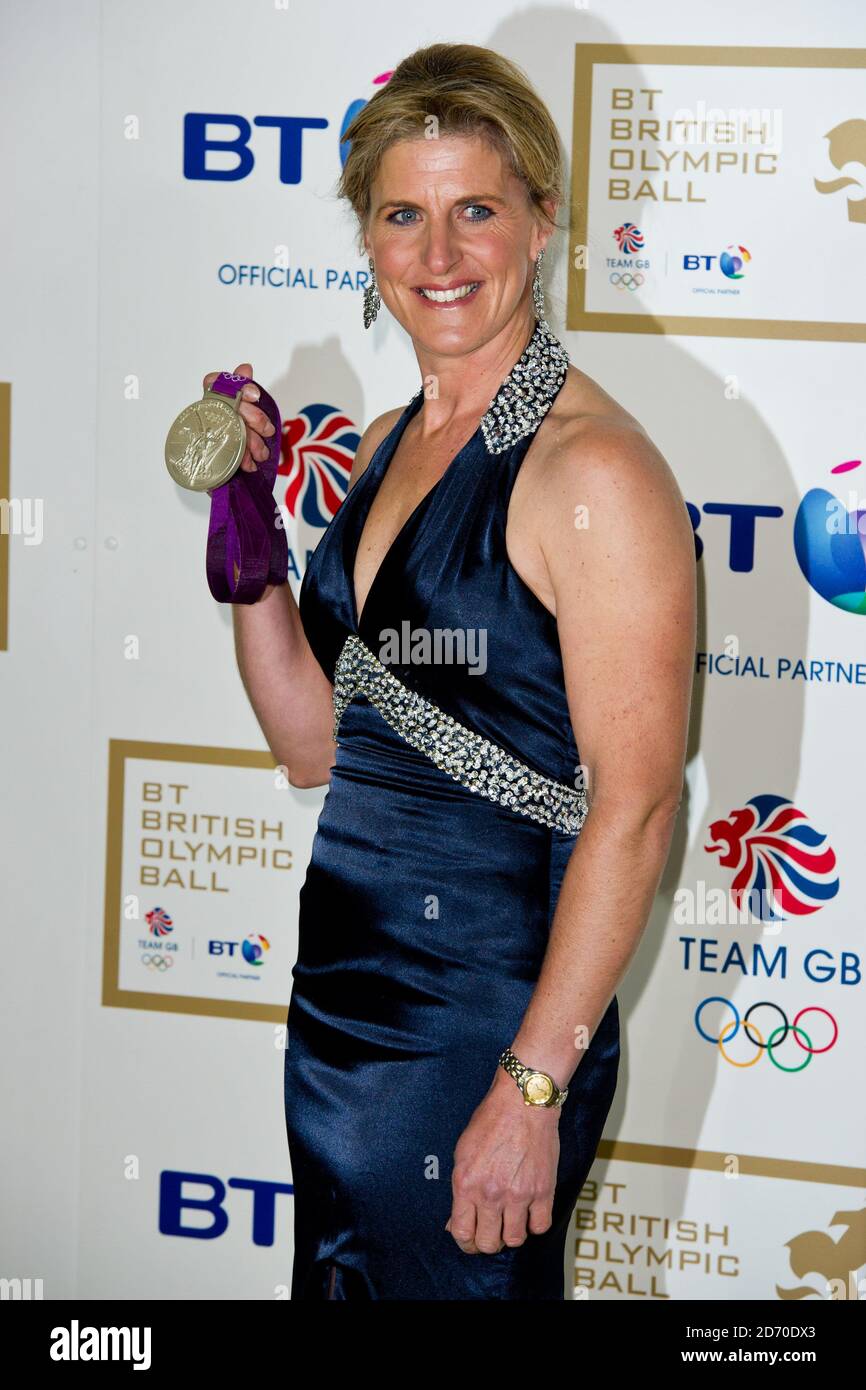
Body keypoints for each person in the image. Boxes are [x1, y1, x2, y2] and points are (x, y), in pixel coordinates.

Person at [204, 42, 696, 1300]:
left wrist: (532, 1086)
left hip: (486, 1015)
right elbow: (317, 745)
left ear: (540, 223)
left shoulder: (593, 472)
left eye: (474, 210)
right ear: (364, 240)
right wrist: (251, 548)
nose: (437, 256)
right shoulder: (381, 446)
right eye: (402, 215)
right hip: (345, 1002)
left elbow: (634, 809)